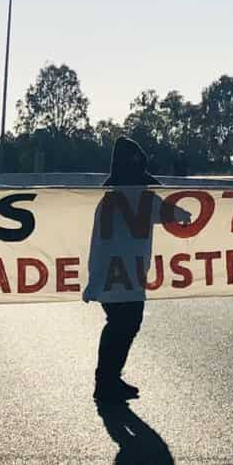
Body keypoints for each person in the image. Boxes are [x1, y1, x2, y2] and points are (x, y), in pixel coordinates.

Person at [84, 136, 158, 406]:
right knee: (124, 324)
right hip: (121, 277)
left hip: (115, 276)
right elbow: (172, 214)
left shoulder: (110, 201)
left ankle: (109, 379)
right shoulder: (139, 202)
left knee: (122, 324)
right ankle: (106, 381)